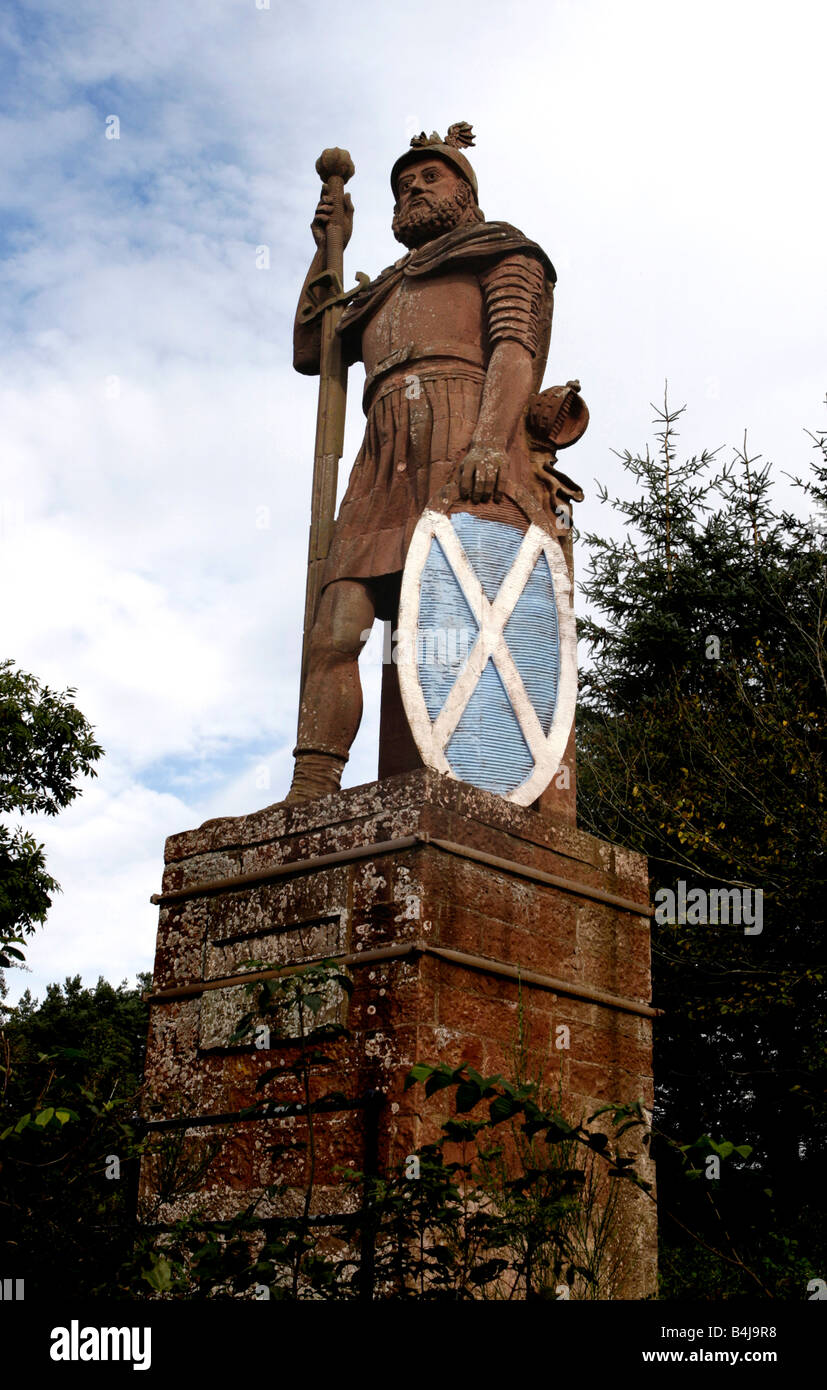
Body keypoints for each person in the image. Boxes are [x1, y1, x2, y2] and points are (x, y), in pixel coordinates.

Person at [287, 125, 557, 803]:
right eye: (402, 182)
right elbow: (309, 346)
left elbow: (514, 347)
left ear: (465, 192)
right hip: (380, 456)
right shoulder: (377, 289)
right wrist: (327, 248)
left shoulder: (502, 251)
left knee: (452, 618)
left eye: (428, 177)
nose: (410, 186)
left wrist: (491, 442)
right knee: (337, 624)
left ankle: (465, 782)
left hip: (461, 429)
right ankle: (310, 783)